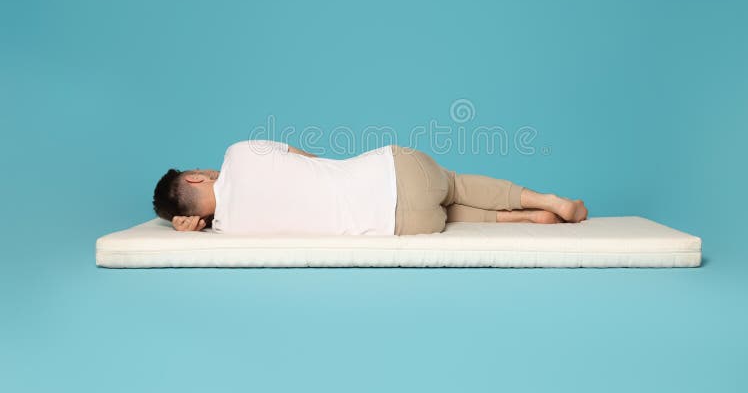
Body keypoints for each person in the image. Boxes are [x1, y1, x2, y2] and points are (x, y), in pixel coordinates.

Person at [152, 140, 588, 235]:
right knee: (452, 184)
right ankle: (545, 201)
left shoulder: (226, 232)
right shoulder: (237, 154)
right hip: (395, 173)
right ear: (195, 177)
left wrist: (198, 228)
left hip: (404, 226)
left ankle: (531, 218)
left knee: (445, 212)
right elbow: (310, 158)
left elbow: (210, 233)